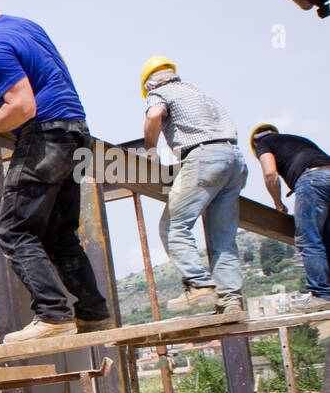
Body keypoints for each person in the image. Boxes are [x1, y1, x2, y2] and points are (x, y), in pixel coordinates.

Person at [0, 0, 110, 343]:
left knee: (14, 230)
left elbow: (22, 106)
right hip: (77, 135)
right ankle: (93, 313)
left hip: (45, 135)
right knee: (59, 234)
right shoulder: (29, 27)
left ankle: (52, 314)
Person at [139, 56, 247, 314]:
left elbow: (155, 115)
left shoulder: (159, 93)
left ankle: (200, 286)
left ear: (148, 86)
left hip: (204, 158)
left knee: (173, 227)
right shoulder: (199, 94)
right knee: (223, 236)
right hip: (234, 159)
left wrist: (151, 150)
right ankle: (231, 299)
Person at [251, 124, 330, 312]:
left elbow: (270, 173)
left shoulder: (263, 143)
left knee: (308, 239)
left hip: (312, 180)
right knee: (327, 238)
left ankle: (322, 294)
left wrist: (277, 202)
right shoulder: (298, 140)